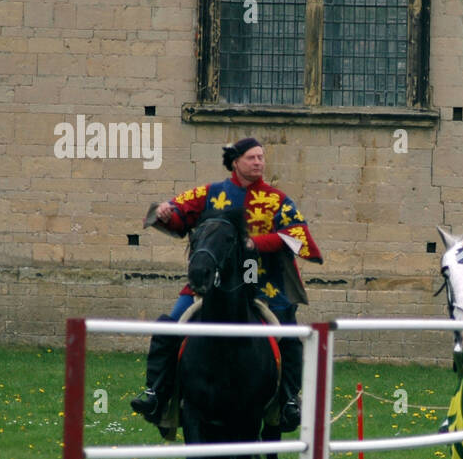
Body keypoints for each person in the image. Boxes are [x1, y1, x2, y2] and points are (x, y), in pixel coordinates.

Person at [131, 137, 322, 431]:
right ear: (236, 162)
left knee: (288, 337)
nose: (258, 162)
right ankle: (156, 394)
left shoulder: (277, 200)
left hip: (260, 281)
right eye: (252, 158)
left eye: (261, 157)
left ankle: (288, 402)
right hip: (211, 284)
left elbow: (299, 238)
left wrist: (255, 242)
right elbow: (179, 216)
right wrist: (166, 212)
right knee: (169, 326)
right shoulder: (211, 193)